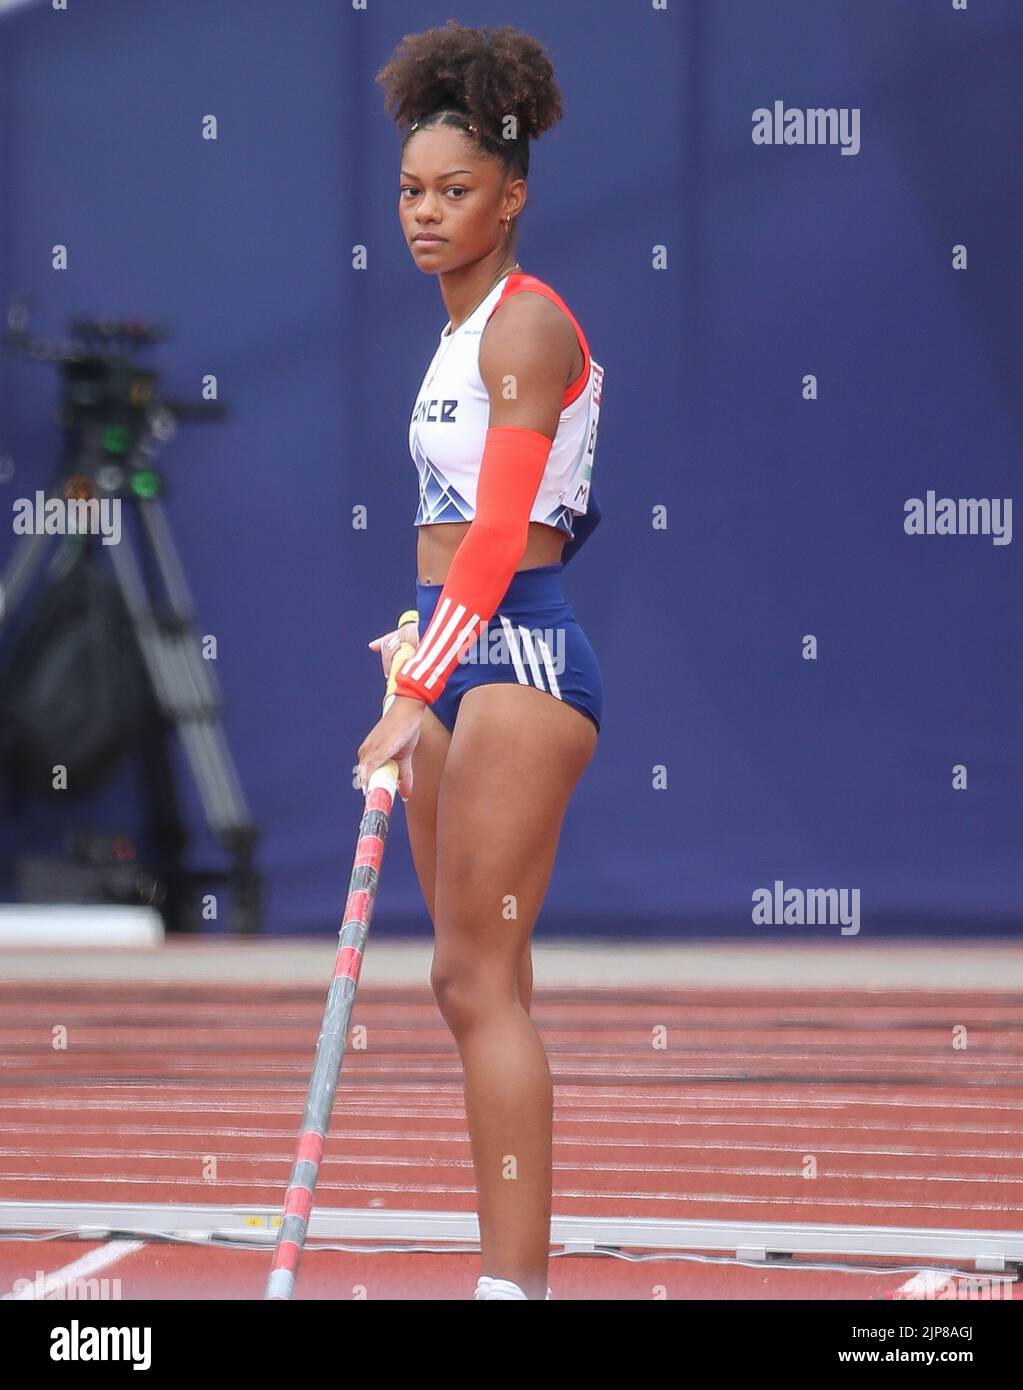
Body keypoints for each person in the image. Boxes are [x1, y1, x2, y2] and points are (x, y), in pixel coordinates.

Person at [358, 20, 606, 1302]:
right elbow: (449, 536)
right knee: (469, 979)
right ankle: (509, 1278)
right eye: (411, 190)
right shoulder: (454, 336)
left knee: (479, 975)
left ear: (512, 199)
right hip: (451, 649)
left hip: (521, 660)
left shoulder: (525, 331)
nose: (427, 212)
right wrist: (415, 639)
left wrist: (415, 688)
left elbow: (505, 535)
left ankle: (513, 1293)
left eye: (456, 191)